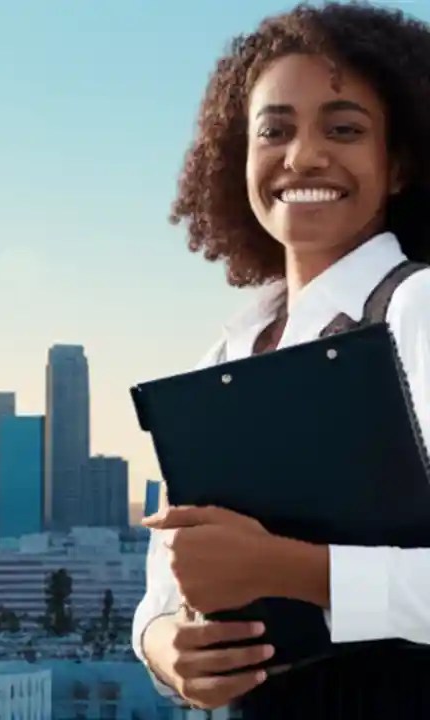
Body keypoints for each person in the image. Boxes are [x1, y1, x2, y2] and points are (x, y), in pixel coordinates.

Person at [132, 2, 430, 716]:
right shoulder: (226, 353)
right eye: (275, 131)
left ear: (397, 166)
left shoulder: (418, 312)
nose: (302, 156)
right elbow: (163, 590)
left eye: (344, 128)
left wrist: (293, 570)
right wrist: (165, 649)